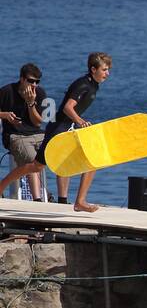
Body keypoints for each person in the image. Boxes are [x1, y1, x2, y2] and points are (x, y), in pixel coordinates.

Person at [0, 53, 112, 211]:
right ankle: (1, 187)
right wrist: (80, 121)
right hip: (59, 129)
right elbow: (67, 108)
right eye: (105, 70)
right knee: (36, 166)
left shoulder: (93, 84)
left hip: (68, 128)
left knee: (92, 160)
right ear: (93, 69)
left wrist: (78, 122)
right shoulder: (83, 84)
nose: (108, 73)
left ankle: (80, 201)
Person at [0, 64, 48, 201]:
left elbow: (38, 122)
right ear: (22, 79)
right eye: (31, 81)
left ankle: (62, 198)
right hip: (15, 135)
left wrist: (31, 103)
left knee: (61, 150)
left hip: (37, 133)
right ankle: (37, 200)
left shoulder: (40, 93)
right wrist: (4, 115)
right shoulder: (6, 91)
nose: (34, 85)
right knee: (32, 159)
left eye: (37, 82)